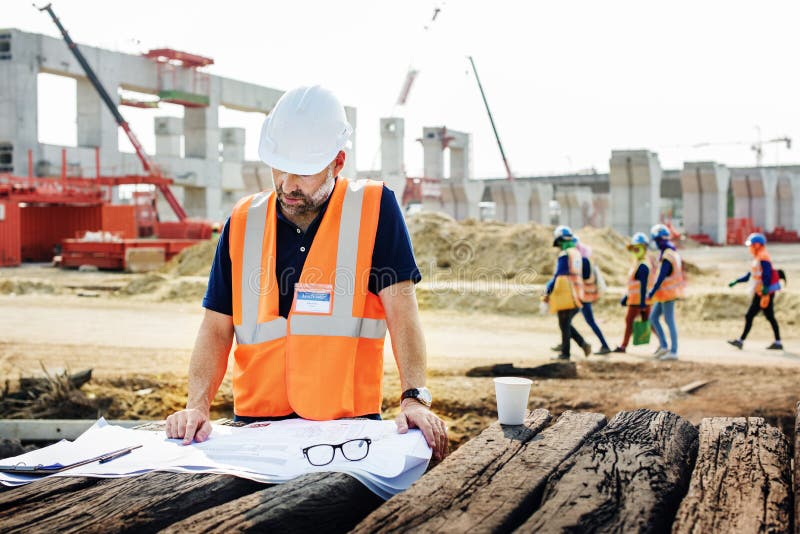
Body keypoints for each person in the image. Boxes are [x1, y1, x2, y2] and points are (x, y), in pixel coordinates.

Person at [165, 85, 448, 460]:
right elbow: (216, 327)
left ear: (338, 162)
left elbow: (403, 313)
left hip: (348, 432)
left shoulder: (374, 208)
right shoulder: (243, 220)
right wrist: (197, 406)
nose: (288, 183)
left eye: (305, 171)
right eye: (279, 167)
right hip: (256, 429)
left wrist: (415, 398)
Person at [727, 233, 783, 350]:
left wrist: (765, 288)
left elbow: (767, 273)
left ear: (757, 245)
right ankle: (778, 342)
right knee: (769, 316)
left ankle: (741, 341)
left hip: (763, 292)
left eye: (751, 245)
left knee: (750, 315)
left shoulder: (763, 257)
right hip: (761, 291)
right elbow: (751, 275)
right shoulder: (758, 257)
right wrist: (737, 281)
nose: (750, 248)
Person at [544, 226, 591, 360]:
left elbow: (559, 275)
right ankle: (583, 344)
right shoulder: (576, 253)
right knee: (565, 323)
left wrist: (547, 291)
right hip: (577, 293)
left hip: (566, 294)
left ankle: (566, 354)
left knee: (564, 324)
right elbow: (585, 274)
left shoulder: (565, 255)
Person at [647, 224, 685, 361]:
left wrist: (651, 292)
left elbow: (661, 278)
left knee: (669, 321)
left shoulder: (667, 256)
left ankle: (673, 351)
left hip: (667, 294)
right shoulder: (670, 253)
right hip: (665, 295)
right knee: (653, 318)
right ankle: (663, 346)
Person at [613, 232, 653, 353]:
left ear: (644, 249)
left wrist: (642, 304)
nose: (635, 251)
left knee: (630, 321)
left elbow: (643, 286)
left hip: (638, 301)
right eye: (634, 248)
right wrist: (626, 296)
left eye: (638, 248)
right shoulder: (638, 264)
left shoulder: (642, 266)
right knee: (650, 323)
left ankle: (623, 346)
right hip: (637, 300)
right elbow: (633, 284)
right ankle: (664, 345)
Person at [574, 236, 611, 355]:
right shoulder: (586, 260)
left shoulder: (583, 261)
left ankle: (604, 345)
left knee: (567, 321)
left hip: (583, 297)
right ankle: (564, 343)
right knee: (566, 321)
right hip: (584, 297)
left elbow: (581, 278)